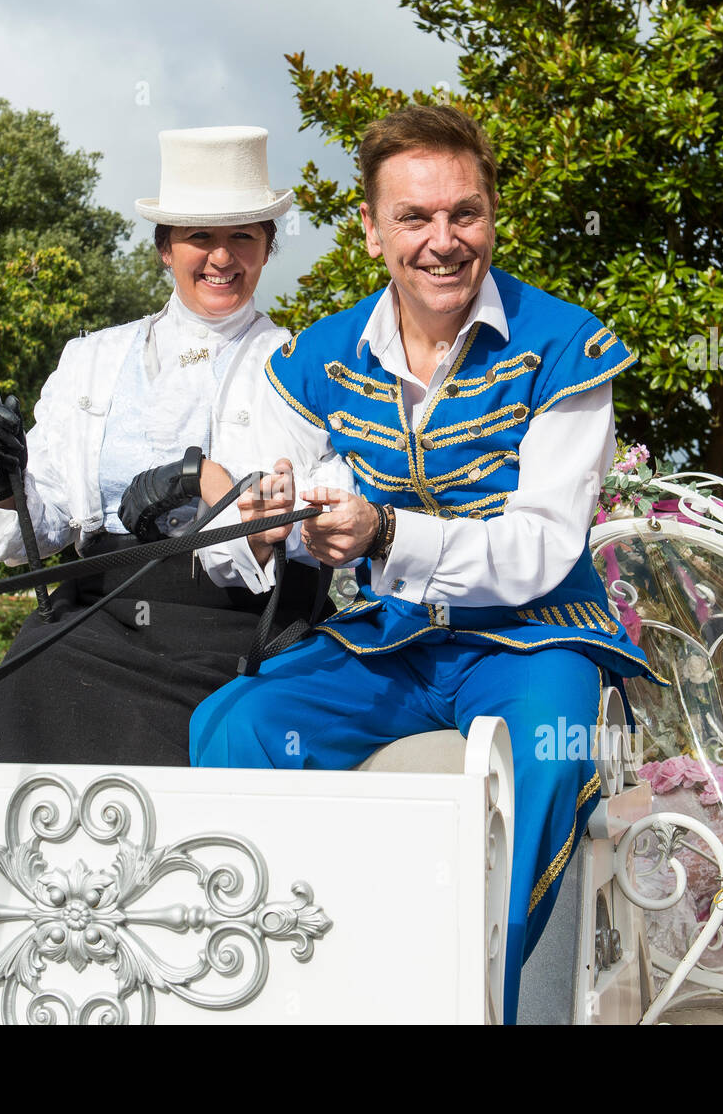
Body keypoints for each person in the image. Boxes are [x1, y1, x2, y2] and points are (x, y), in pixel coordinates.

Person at [188, 105, 666, 1020]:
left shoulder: (565, 344)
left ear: (492, 218)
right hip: (392, 640)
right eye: (414, 218)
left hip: (535, 638)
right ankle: (296, 989)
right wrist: (266, 523)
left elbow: (541, 546)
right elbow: (270, 506)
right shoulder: (318, 357)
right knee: (236, 722)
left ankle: (488, 1003)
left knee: (543, 759)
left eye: (465, 213)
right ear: (370, 231)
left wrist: (384, 536)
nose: (443, 242)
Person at [0, 126, 339, 767]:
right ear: (166, 248)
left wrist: (210, 485)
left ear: (268, 248)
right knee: (29, 674)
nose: (222, 258)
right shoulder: (90, 359)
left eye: (242, 236)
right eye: (200, 238)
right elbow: (37, 529)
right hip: (92, 619)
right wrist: (0, 480)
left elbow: (319, 510)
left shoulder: (303, 364)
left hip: (237, 634)